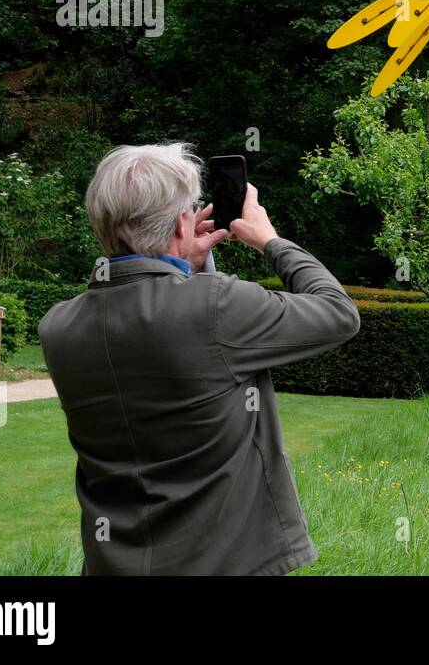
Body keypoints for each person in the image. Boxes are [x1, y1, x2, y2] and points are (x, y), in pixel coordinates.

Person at [39, 143, 361, 575]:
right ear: (179, 223)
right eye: (189, 210)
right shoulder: (215, 307)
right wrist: (271, 241)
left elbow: (159, 329)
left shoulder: (57, 327)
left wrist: (178, 267)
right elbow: (339, 314)